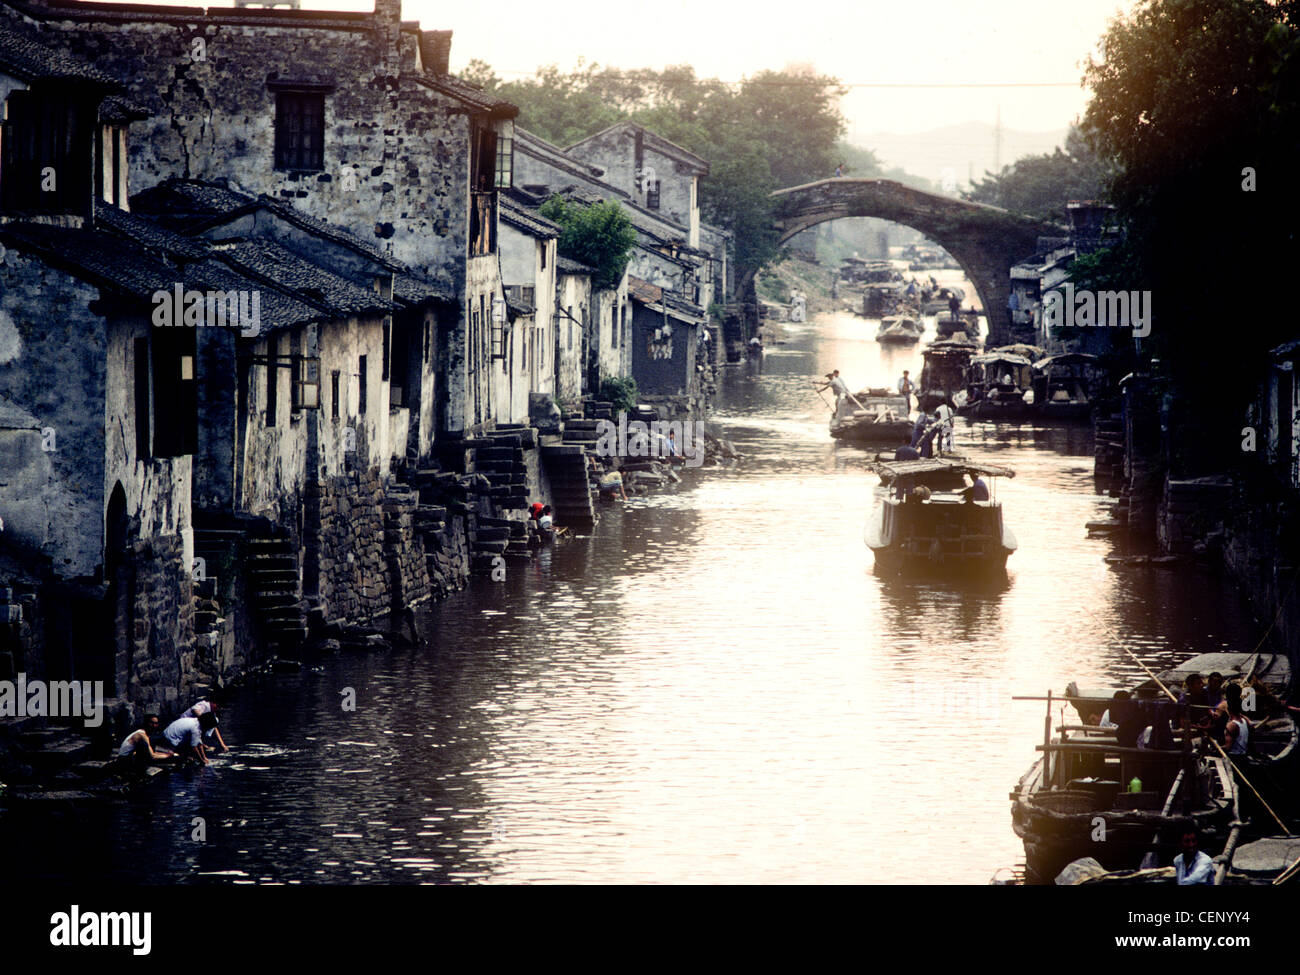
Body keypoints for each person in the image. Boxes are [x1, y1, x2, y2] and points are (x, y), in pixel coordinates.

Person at [1223, 684, 1251, 755]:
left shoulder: (1231, 725)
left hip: (1235, 757)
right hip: (1243, 754)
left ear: (1228, 709)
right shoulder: (1245, 720)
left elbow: (1228, 748)